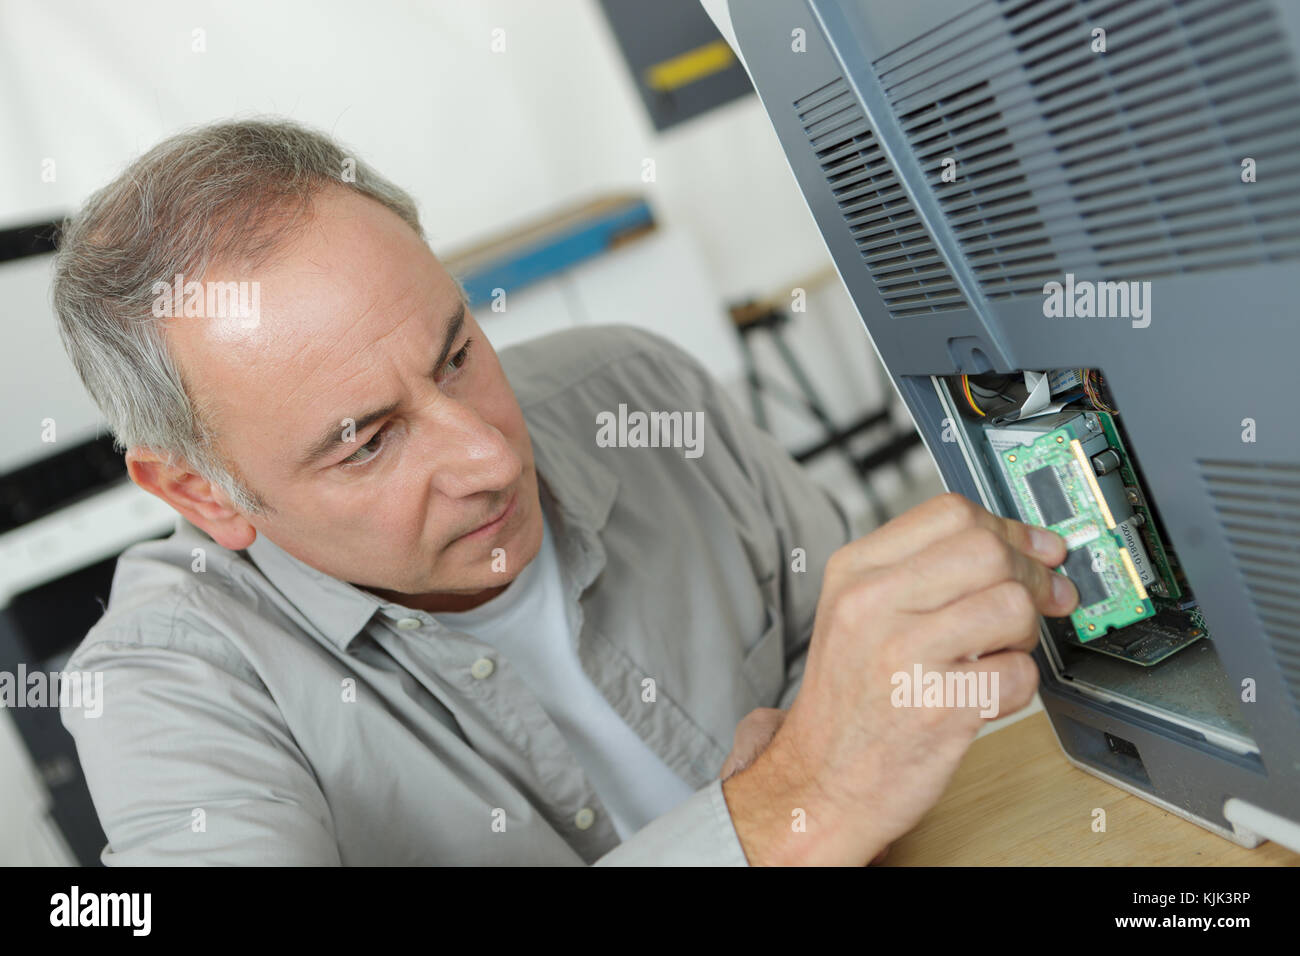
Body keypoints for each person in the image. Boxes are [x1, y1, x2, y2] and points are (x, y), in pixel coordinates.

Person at [52, 119, 1077, 865]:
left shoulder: (636, 388)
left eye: (455, 354)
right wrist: (785, 805)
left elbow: (831, 657)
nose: (492, 457)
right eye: (366, 441)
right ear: (200, 492)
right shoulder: (167, 681)